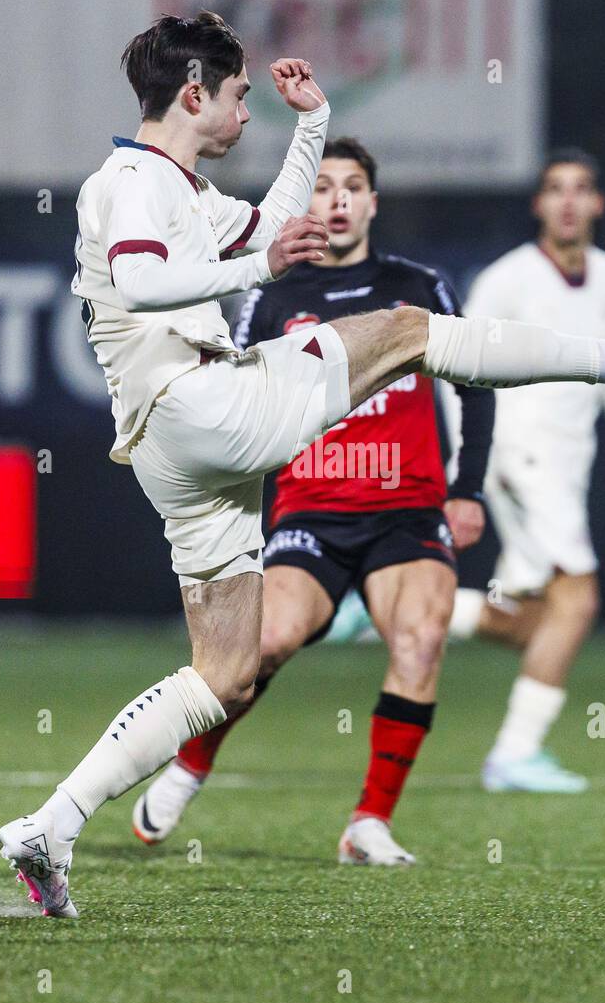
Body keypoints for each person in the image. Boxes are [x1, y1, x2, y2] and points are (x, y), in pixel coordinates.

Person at [0, 11, 605, 917]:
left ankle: (52, 826)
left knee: (224, 674)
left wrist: (312, 124)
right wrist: (254, 270)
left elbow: (279, 227)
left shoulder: (180, 186)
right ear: (193, 94)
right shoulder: (133, 180)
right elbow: (144, 282)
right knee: (410, 333)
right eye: (240, 96)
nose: (246, 112)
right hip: (205, 404)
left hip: (170, 453)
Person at [130, 136, 494, 866]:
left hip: (408, 512)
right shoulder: (271, 298)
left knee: (423, 639)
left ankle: (369, 824)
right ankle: (192, 765)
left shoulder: (419, 285)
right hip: (312, 513)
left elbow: (476, 382)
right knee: (262, 644)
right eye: (323, 186)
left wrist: (468, 488)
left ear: (372, 203)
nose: (336, 199)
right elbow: (229, 396)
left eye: (352, 186)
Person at [447, 149, 605, 794]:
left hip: (567, 464)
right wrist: (465, 463)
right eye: (556, 190)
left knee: (526, 617)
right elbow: (456, 367)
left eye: (581, 189)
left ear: (603, 204)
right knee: (579, 601)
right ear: (539, 205)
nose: (569, 201)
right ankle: (514, 754)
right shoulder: (506, 279)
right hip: (520, 453)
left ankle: (393, 604)